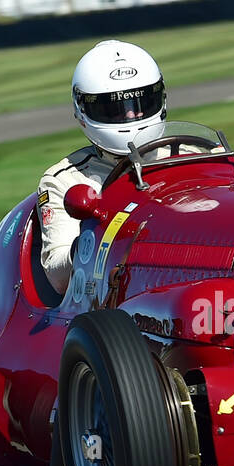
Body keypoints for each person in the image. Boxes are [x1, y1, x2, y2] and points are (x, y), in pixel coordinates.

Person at [36, 40, 167, 295]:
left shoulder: (192, 154)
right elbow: (58, 275)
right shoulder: (64, 180)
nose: (131, 116)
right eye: (114, 108)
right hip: (111, 301)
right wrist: (94, 243)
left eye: (141, 103)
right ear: (83, 109)